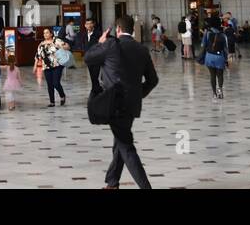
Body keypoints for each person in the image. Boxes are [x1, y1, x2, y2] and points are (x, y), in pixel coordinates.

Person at [85, 14, 158, 189]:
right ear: (132, 29)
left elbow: (88, 58)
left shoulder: (111, 45)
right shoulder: (142, 49)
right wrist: (137, 94)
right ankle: (112, 183)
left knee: (126, 146)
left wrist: (100, 42)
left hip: (114, 104)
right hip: (132, 104)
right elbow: (153, 80)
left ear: (117, 29)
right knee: (120, 140)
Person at [36, 27, 70, 107]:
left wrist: (62, 46)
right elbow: (38, 55)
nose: (45, 34)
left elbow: (67, 47)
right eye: (44, 33)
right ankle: (52, 102)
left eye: (47, 32)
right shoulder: (41, 44)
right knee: (49, 84)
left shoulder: (56, 41)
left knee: (56, 83)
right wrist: (35, 66)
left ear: (51, 34)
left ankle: (62, 95)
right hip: (46, 66)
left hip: (57, 64)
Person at [203, 22, 229, 99]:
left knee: (212, 75)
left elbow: (203, 45)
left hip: (209, 56)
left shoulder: (207, 34)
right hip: (219, 57)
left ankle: (214, 93)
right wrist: (227, 59)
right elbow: (225, 48)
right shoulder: (223, 35)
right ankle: (220, 91)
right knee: (220, 75)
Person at [84, 18, 103, 94]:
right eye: (87, 24)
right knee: (92, 76)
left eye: (90, 23)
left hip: (96, 58)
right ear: (85, 25)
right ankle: (97, 89)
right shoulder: (84, 34)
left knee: (95, 75)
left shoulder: (98, 34)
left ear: (93, 24)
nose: (89, 25)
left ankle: (95, 90)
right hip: (89, 59)